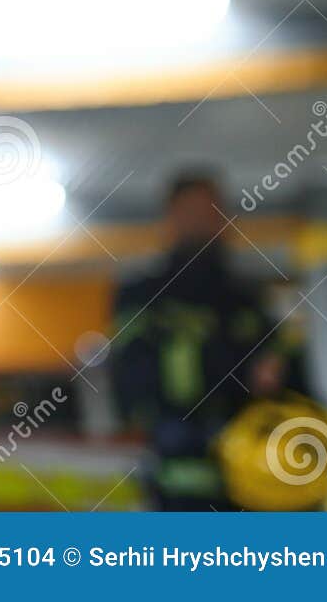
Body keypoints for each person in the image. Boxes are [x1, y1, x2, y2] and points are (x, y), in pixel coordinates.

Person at [109, 169, 302, 509]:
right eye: (192, 212)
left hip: (253, 479)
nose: (202, 221)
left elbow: (281, 370)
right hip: (176, 480)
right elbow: (137, 377)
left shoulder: (247, 296)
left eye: (212, 212)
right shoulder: (141, 295)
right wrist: (240, 372)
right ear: (171, 219)